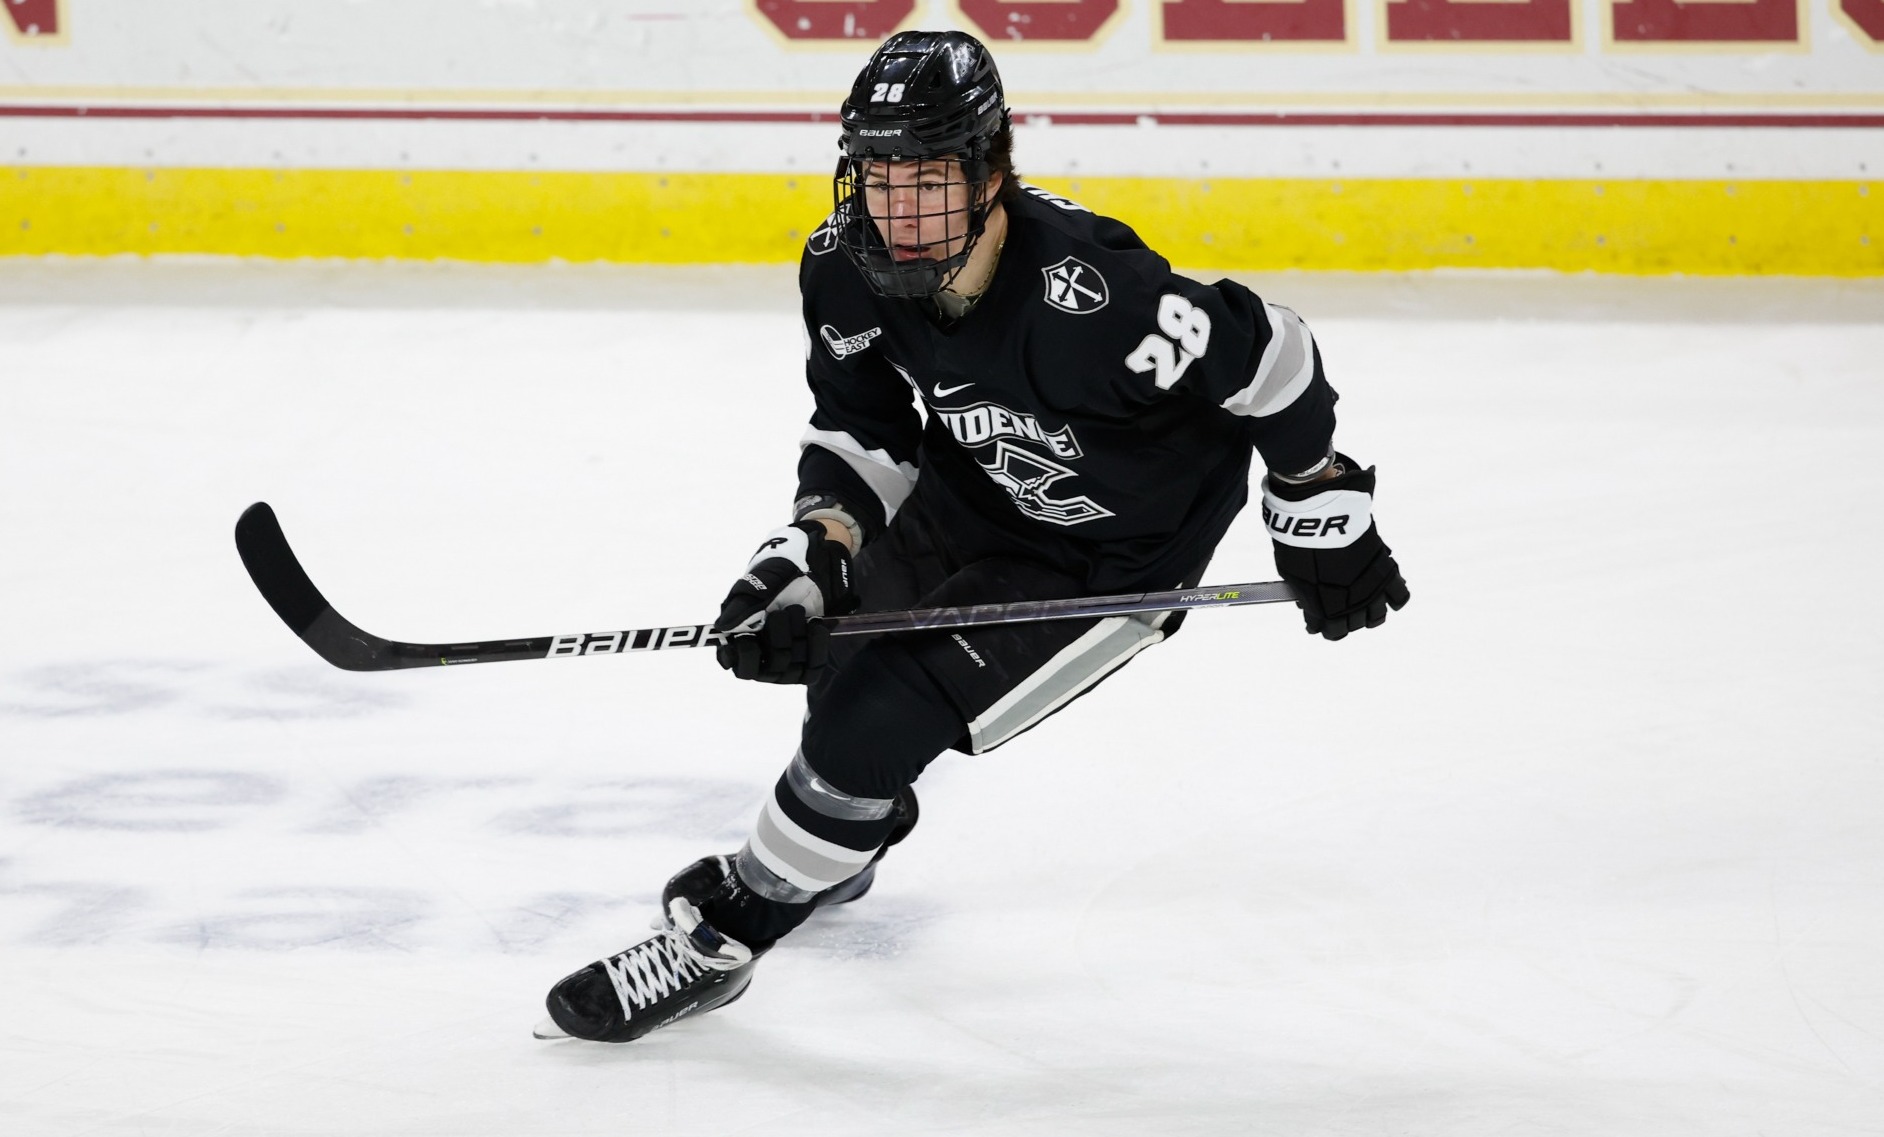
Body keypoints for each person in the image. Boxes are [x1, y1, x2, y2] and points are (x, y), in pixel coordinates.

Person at [537, 28, 1409, 1044]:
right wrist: (813, 552)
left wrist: (1317, 500)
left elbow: (1275, 353)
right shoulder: (842, 269)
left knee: (869, 717)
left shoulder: (1093, 302)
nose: (898, 214)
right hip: (969, 493)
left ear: (993, 170)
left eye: (930, 180)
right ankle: (847, 843)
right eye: (876, 178)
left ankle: (727, 936)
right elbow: (865, 429)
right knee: (837, 661)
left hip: (1110, 557)